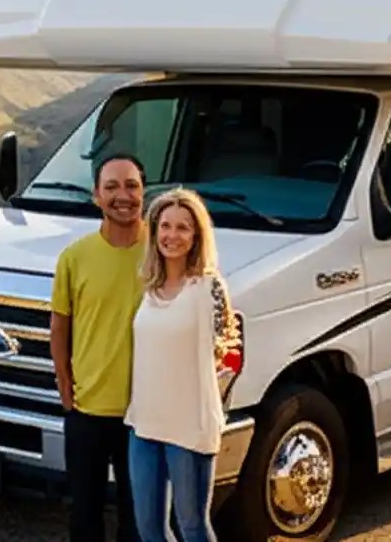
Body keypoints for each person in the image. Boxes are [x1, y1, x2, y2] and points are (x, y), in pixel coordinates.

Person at [125, 187, 242, 542]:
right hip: (143, 424)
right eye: (165, 226)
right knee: (148, 529)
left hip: (189, 427)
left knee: (191, 526)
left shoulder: (208, 287)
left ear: (196, 236)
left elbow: (228, 348)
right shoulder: (149, 287)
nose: (171, 236)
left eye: (182, 228)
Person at [50, 153, 148, 542]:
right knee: (85, 517)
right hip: (87, 410)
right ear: (96, 195)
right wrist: (64, 383)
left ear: (145, 192)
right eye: (111, 187)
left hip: (145, 414)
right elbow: (60, 325)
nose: (122, 195)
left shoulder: (165, 252)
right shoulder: (75, 257)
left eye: (131, 185)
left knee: (137, 519)